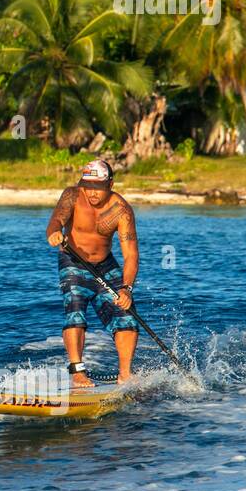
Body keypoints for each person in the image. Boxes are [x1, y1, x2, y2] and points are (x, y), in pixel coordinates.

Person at [45, 159, 140, 386]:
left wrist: (126, 289)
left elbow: (131, 256)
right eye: (88, 186)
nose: (92, 192)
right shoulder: (72, 196)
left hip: (106, 265)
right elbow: (56, 220)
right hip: (73, 261)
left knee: (127, 316)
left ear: (110, 184)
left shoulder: (122, 211)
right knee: (75, 311)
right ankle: (78, 372)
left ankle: (125, 375)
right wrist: (55, 232)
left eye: (97, 187)